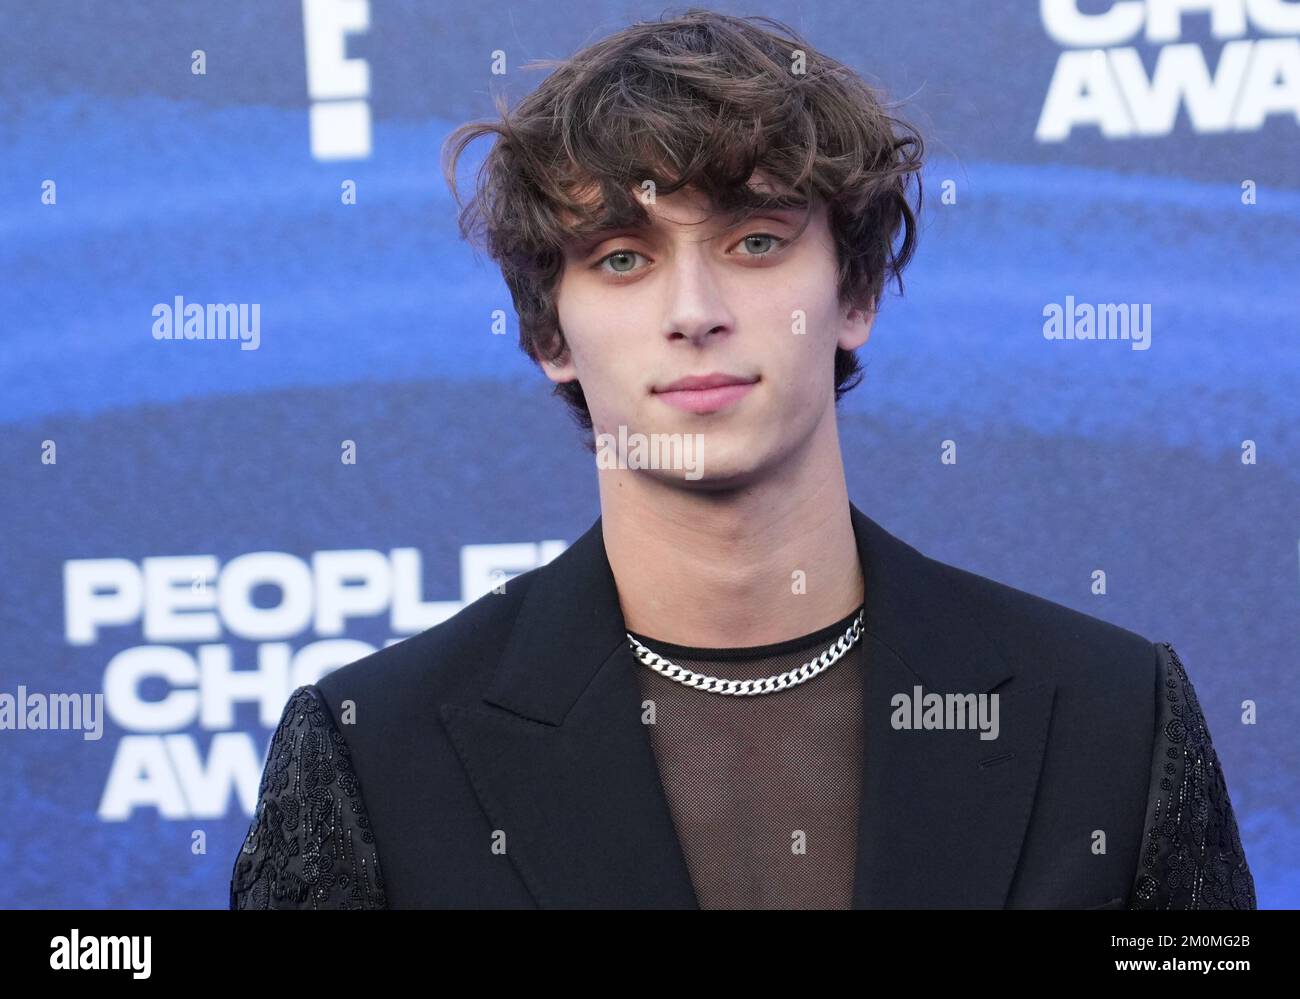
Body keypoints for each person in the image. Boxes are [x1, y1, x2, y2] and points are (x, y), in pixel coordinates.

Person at [229, 9, 1255, 910]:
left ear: (853, 296)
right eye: (621, 258)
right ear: (549, 337)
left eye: (754, 241)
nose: (693, 314)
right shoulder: (374, 752)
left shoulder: (1110, 717)